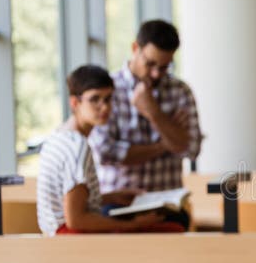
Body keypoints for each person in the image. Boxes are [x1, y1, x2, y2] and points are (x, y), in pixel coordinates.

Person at [36, 65, 183, 235]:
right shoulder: (77, 146)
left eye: (108, 99)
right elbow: (75, 220)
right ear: (75, 102)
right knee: (174, 227)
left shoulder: (58, 137)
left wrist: (110, 197)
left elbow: (69, 203)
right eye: (95, 99)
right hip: (71, 238)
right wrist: (134, 225)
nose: (104, 107)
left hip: (56, 235)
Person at [88, 19, 201, 231]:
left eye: (164, 67)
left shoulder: (181, 92)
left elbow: (191, 149)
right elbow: (106, 153)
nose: (156, 73)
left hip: (167, 205)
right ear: (135, 49)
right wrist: (166, 144)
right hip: (118, 205)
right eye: (150, 64)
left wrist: (153, 112)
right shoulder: (107, 91)